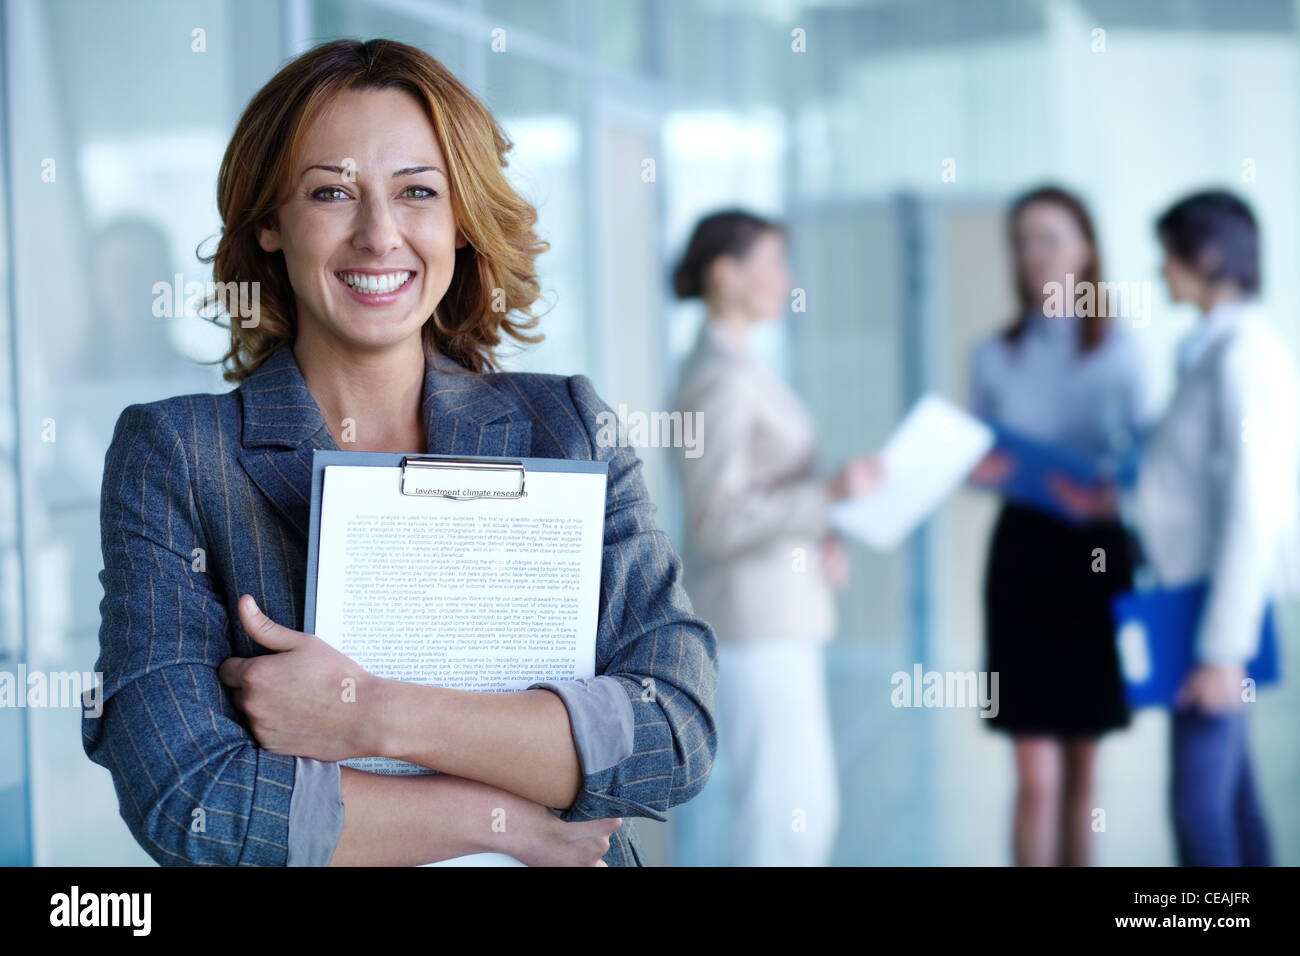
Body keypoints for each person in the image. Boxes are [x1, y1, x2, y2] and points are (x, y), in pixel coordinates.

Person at [82, 38, 716, 867]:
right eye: (331, 192)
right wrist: (506, 818)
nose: (379, 236)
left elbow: (674, 729)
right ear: (271, 222)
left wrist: (371, 715)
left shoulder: (565, 427)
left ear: (461, 220)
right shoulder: (177, 454)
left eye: (418, 191)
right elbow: (189, 796)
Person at [670, 209, 879, 866]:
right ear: (726, 273)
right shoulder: (718, 376)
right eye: (774, 261)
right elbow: (717, 518)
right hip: (752, 622)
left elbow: (766, 497)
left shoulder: (742, 364)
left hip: (780, 614)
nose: (788, 278)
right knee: (781, 819)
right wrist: (828, 496)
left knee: (803, 813)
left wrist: (819, 528)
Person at [968, 185, 1154, 866]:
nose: (1035, 253)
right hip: (1023, 555)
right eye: (1022, 240)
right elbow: (974, 456)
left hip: (1095, 555)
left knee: (1085, 774)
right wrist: (981, 467)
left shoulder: (1124, 351)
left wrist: (1113, 489)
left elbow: (1150, 460)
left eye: (1050, 236)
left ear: (1087, 248)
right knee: (1035, 778)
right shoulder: (993, 354)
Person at [1135, 191, 1293, 865]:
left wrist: (1223, 650)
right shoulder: (1215, 349)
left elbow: (1253, 506)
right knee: (1231, 796)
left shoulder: (1240, 357)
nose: (1159, 272)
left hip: (1217, 608)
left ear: (1205, 258)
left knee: (1199, 808)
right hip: (1201, 598)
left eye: (1167, 255)